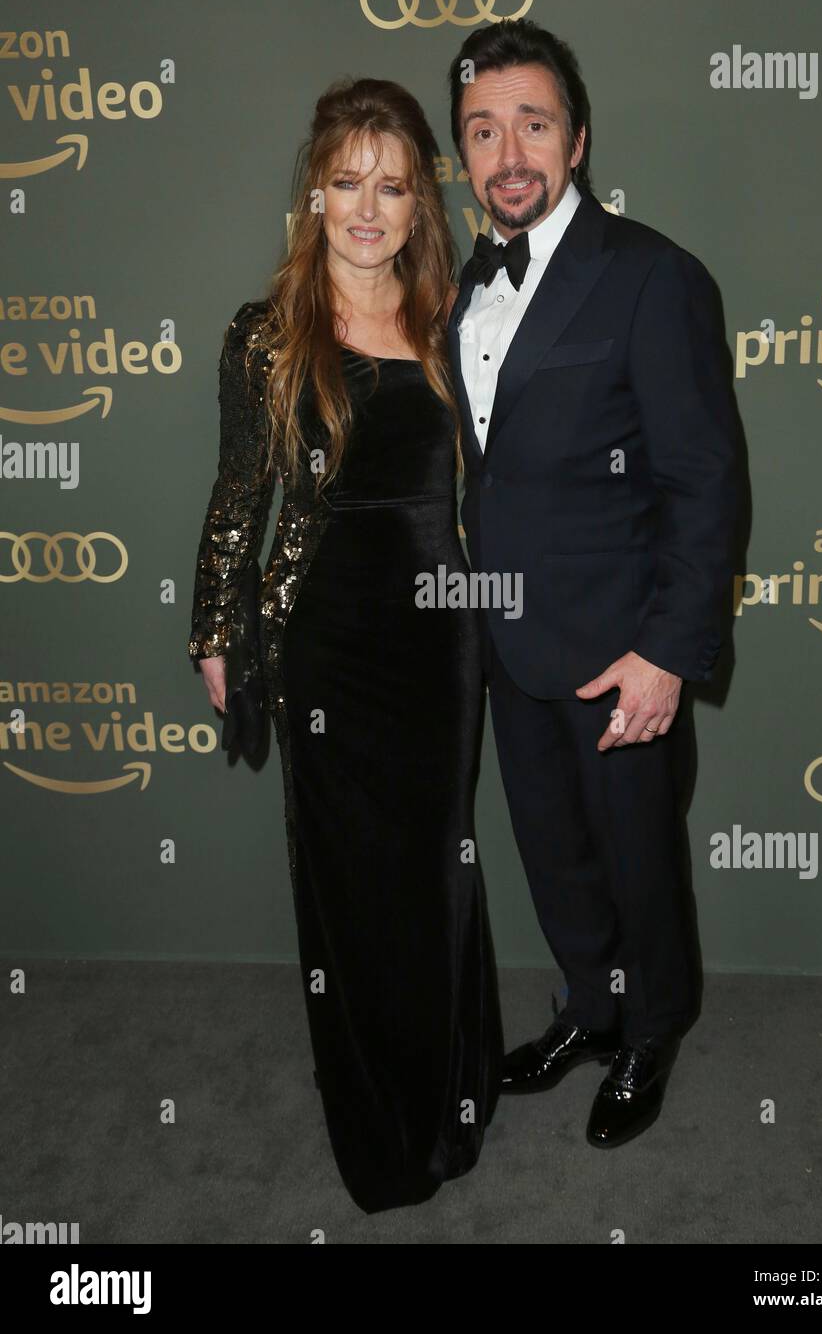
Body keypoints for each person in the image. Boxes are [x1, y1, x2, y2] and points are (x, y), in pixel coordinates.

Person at [187, 78, 503, 1213]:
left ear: (420, 203)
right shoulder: (267, 336)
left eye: (392, 185)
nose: (368, 208)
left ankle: (456, 1094)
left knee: (436, 869)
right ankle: (382, 1132)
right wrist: (217, 633)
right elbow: (240, 498)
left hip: (437, 636)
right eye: (347, 182)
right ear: (314, 191)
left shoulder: (452, 320)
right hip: (325, 635)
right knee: (349, 887)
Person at [446, 19, 742, 1147]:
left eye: (532, 123)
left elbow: (704, 481)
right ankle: (591, 1005)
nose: (507, 150)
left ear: (576, 141)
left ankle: (652, 1027)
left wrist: (667, 652)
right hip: (508, 648)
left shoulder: (652, 277)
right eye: (482, 129)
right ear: (462, 153)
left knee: (637, 862)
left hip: (622, 649)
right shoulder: (466, 286)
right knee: (554, 857)